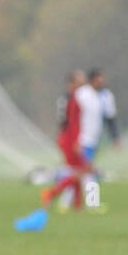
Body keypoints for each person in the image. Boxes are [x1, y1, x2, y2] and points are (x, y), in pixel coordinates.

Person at [41, 70, 89, 211]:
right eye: (80, 81)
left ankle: (77, 205)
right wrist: (77, 141)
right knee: (82, 171)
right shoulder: (71, 100)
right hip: (71, 140)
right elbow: (71, 123)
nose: (83, 83)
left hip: (72, 139)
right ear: (72, 84)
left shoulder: (76, 98)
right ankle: (50, 193)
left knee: (77, 172)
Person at [94, 70, 120, 152]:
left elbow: (111, 118)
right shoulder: (83, 95)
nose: (101, 82)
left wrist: (115, 137)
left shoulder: (107, 95)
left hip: (99, 131)